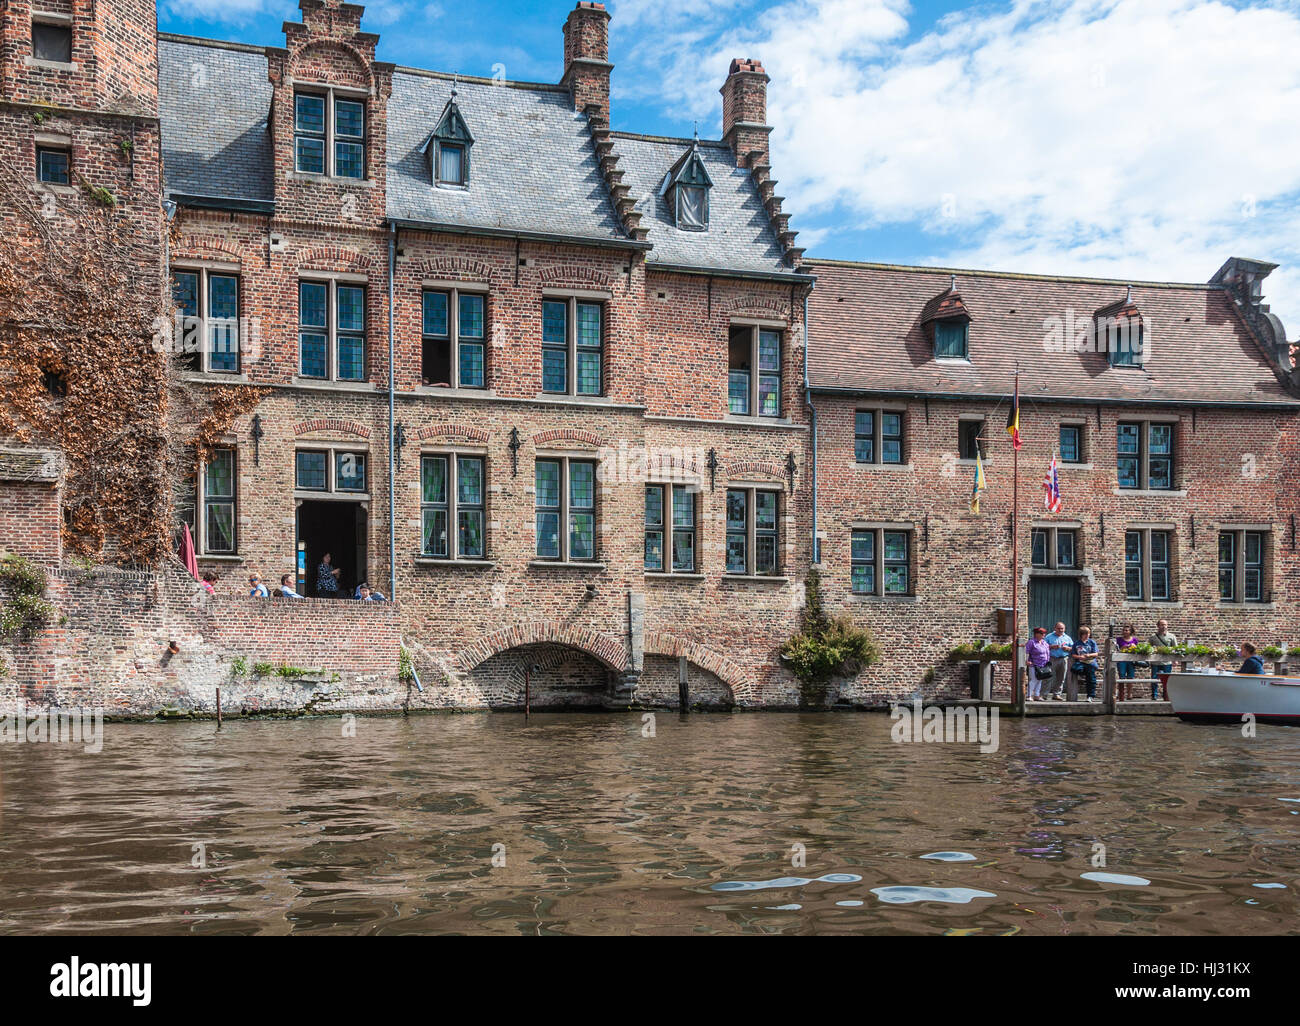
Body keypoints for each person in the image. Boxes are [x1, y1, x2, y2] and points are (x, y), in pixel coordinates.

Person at [1045, 621, 1074, 701]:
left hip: (1063, 659)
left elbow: (1073, 648)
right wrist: (1051, 647)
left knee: (1061, 678)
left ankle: (1057, 694)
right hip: (1052, 658)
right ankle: (1044, 695)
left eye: (1062, 629)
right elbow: (1043, 647)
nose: (1061, 630)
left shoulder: (1067, 638)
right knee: (1048, 677)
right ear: (1055, 628)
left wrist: (1068, 648)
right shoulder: (1049, 636)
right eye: (1059, 628)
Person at [1149, 618, 1177, 699]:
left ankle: (1166, 696)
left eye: (1165, 624)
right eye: (1162, 624)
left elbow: (1175, 648)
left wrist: (1175, 660)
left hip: (1167, 663)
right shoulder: (1153, 637)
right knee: (1154, 680)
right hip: (1155, 662)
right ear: (1158, 626)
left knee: (1167, 681)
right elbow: (1148, 648)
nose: (1164, 626)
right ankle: (1154, 695)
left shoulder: (1172, 636)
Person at [1071, 627, 1100, 702]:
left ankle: (1090, 696)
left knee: (1091, 679)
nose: (1087, 635)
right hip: (1081, 662)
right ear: (1081, 634)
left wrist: (1089, 655)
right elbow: (1073, 654)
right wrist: (1079, 657)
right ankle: (1084, 674)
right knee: (1074, 669)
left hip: (1090, 663)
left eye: (1088, 633)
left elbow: (1096, 653)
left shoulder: (1092, 642)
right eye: (1085, 634)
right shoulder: (1076, 643)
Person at [1025, 626, 1052, 702]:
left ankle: (1037, 695)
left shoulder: (1044, 643)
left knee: (1040, 680)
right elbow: (1026, 652)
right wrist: (1026, 661)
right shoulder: (1031, 642)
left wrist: (1047, 662)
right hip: (1033, 664)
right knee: (1033, 680)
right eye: (1042, 633)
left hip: (1043, 665)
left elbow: (1047, 653)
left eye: (1044, 633)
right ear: (1036, 634)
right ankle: (1029, 695)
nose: (1044, 635)